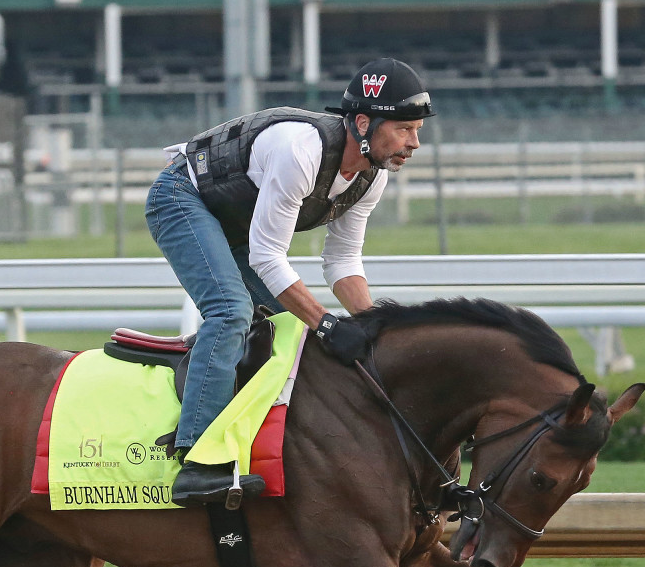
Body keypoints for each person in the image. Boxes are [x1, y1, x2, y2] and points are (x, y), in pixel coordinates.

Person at [146, 57, 434, 507]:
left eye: (417, 130)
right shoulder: (302, 150)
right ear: (364, 122)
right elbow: (266, 256)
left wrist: (373, 327)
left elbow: (341, 261)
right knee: (231, 311)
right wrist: (327, 323)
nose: (415, 143)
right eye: (405, 129)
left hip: (234, 222)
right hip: (182, 198)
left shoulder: (370, 176)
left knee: (292, 330)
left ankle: (271, 446)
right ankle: (197, 460)